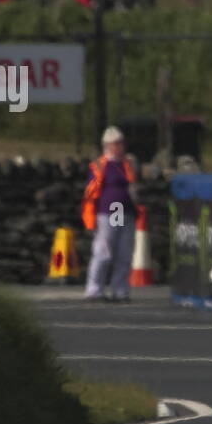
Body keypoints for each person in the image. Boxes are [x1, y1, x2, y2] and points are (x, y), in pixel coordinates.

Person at [81, 126, 141, 301]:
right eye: (117, 143)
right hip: (109, 210)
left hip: (126, 211)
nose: (121, 146)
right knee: (104, 251)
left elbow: (133, 187)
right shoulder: (101, 165)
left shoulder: (127, 164)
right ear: (108, 145)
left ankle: (120, 290)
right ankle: (94, 290)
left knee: (124, 252)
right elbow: (91, 191)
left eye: (121, 143)